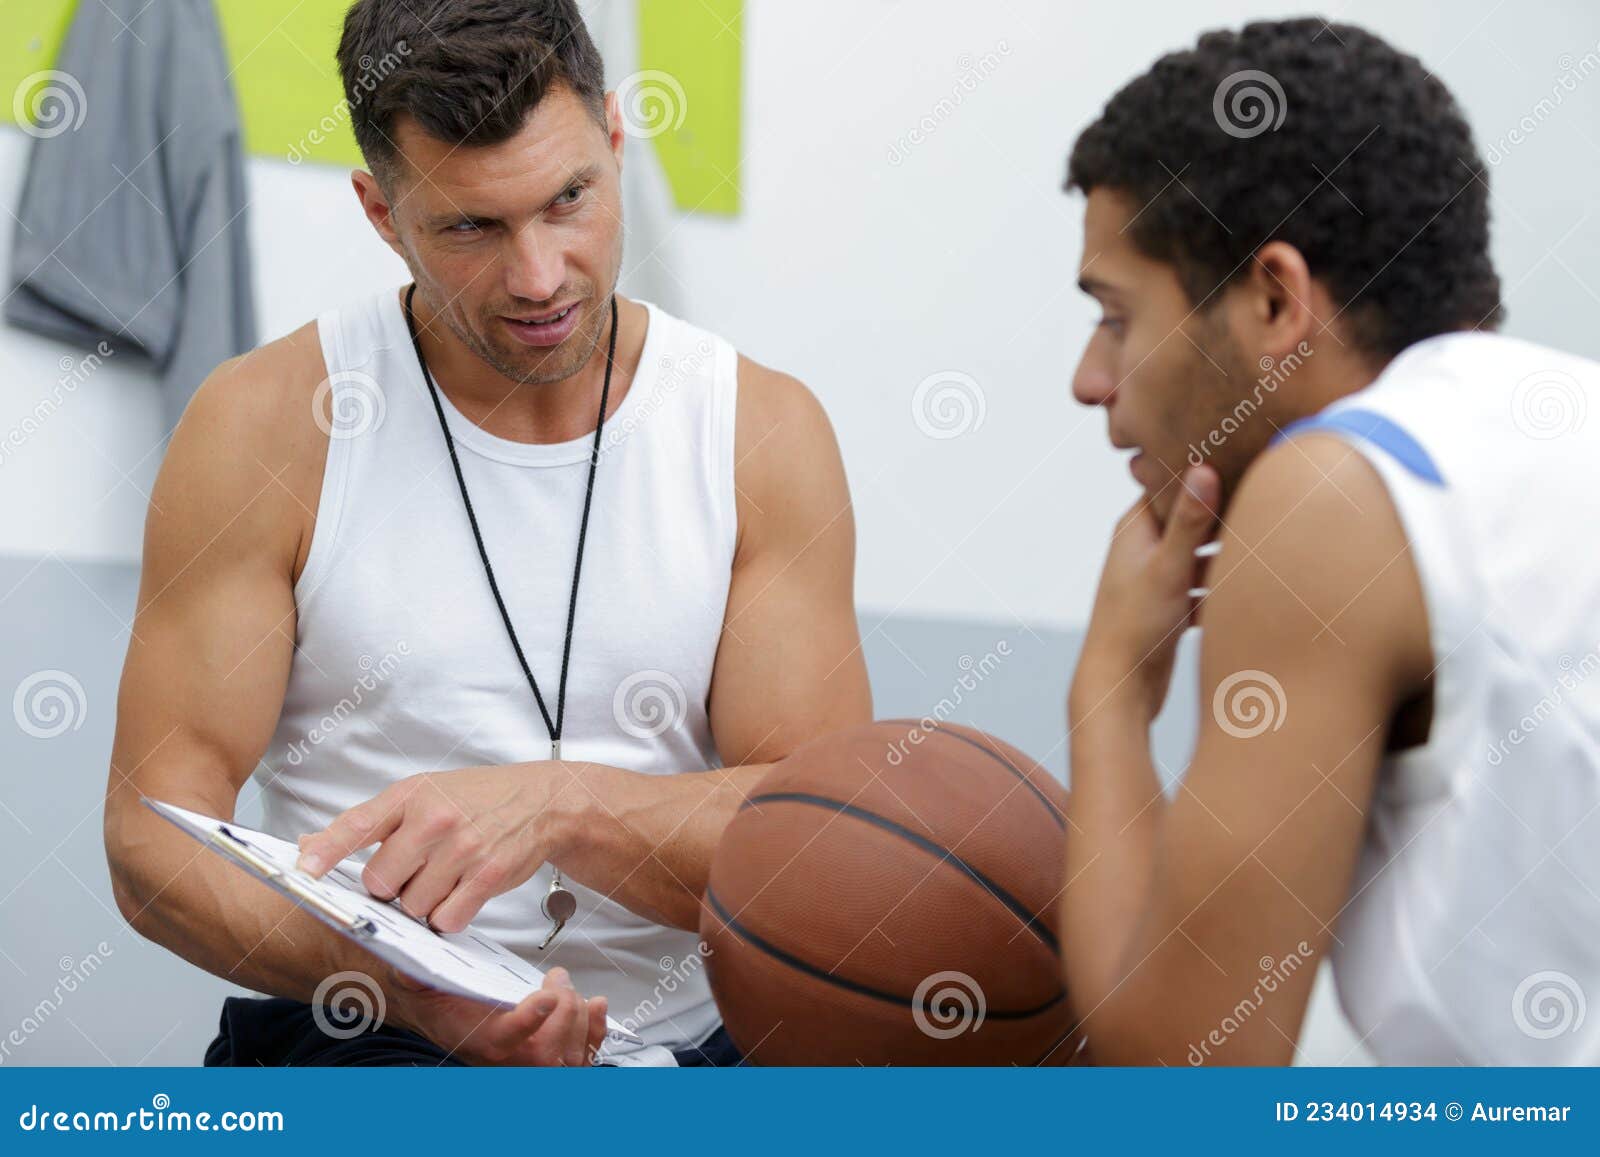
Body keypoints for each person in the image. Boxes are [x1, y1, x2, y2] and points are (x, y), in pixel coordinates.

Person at [102, 0, 871, 1067]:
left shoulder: (761, 431)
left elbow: (820, 847)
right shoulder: (265, 424)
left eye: (568, 200)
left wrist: (561, 807)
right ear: (382, 212)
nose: (540, 277)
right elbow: (151, 837)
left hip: (695, 1049)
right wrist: (406, 990)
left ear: (615, 137)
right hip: (372, 1036)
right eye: (472, 227)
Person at [1060, 18, 1600, 1064]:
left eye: (1116, 318)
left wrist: (1109, 697)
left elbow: (1187, 1078)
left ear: (1274, 299)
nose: (1090, 379)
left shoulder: (1333, 496)